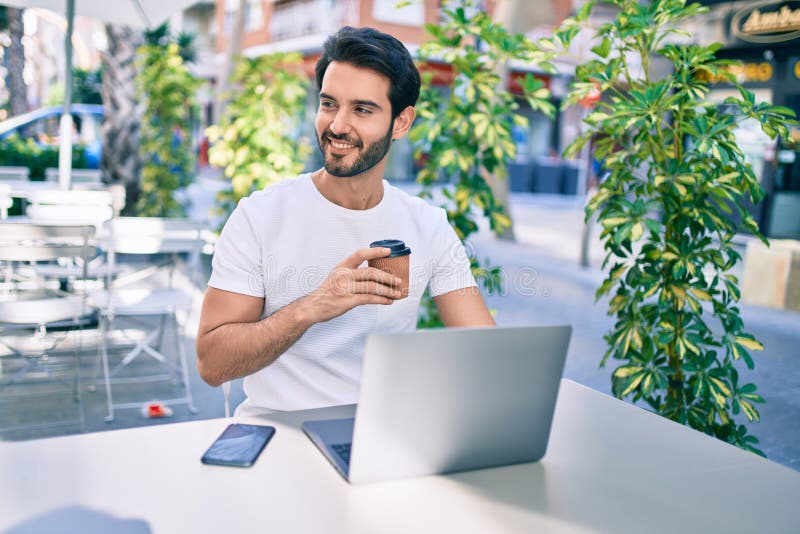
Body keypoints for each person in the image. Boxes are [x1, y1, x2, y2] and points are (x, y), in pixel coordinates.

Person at [197, 26, 494, 416]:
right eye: (329, 104)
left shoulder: (428, 226)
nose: (337, 125)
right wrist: (311, 307)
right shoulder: (260, 216)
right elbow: (212, 365)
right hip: (277, 432)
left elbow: (486, 354)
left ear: (402, 122)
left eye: (362, 110)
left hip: (385, 434)